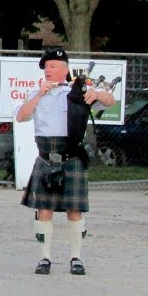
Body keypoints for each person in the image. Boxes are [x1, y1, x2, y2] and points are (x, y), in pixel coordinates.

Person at [16, 47, 115, 276]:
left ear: (65, 70)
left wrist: (98, 95)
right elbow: (21, 116)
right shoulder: (35, 92)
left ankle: (76, 258)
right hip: (46, 156)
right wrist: (40, 94)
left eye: (53, 67)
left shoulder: (77, 91)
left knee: (74, 210)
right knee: (44, 209)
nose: (48, 71)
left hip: (71, 156)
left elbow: (109, 101)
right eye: (46, 67)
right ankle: (44, 258)